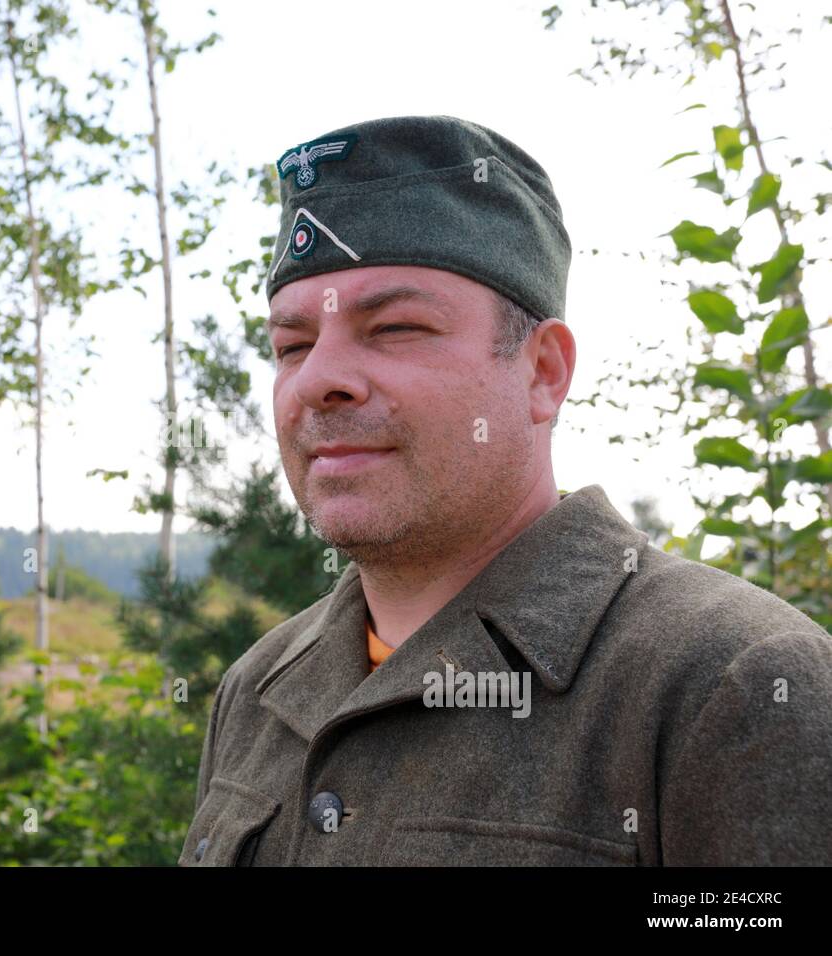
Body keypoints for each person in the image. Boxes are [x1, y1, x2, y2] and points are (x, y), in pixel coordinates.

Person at [178, 115, 832, 866]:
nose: (319, 379)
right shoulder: (257, 687)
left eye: (394, 327)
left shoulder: (734, 682)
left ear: (543, 372)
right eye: (292, 346)